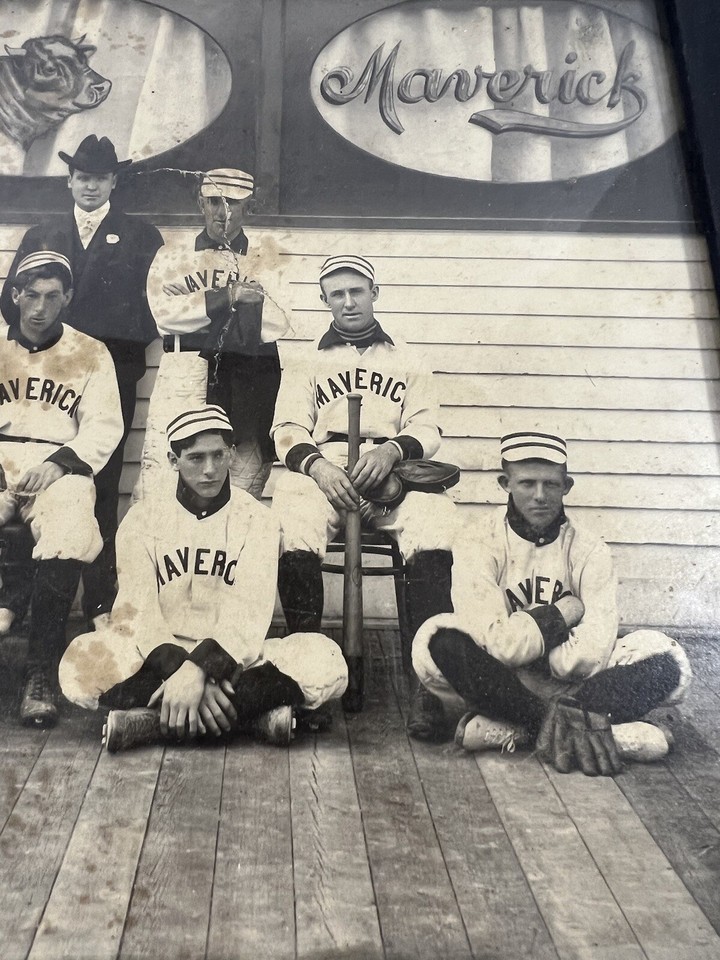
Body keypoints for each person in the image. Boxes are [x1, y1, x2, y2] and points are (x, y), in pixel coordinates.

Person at [59, 405, 348, 751]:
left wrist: (201, 670)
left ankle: (152, 722)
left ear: (231, 454)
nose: (210, 470)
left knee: (325, 660)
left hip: (236, 659)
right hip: (159, 655)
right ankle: (250, 718)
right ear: (172, 459)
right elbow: (140, 613)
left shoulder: (258, 519)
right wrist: (181, 671)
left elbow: (249, 617)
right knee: (80, 664)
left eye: (218, 456)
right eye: (196, 458)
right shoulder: (142, 519)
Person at [411, 431, 692, 775]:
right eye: (527, 483)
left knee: (667, 662)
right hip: (506, 681)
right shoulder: (478, 541)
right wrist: (562, 613)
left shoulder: (590, 551)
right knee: (442, 641)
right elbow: (498, 647)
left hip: (582, 687)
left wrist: (529, 638)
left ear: (567, 485)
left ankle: (526, 728)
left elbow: (590, 655)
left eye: (551, 484)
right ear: (505, 483)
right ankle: (594, 729)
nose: (540, 496)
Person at [270, 254, 457, 723]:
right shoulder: (305, 359)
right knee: (292, 516)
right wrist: (316, 468)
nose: (348, 302)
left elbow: (428, 426)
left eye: (357, 291)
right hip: (329, 465)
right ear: (324, 300)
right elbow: (287, 427)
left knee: (435, 520)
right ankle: (305, 675)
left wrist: (393, 451)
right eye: (338, 294)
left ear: (375, 293)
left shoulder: (407, 358)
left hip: (389, 469)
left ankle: (428, 681)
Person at [0, 134, 163, 628]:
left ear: (114, 181)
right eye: (82, 177)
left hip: (108, 371)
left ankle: (99, 605)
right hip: (44, 376)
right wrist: (55, 340)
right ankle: (14, 603)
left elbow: (153, 311)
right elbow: (13, 300)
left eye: (99, 177)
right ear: (70, 180)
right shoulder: (41, 234)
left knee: (103, 483)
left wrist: (101, 350)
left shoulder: (141, 237)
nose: (90, 186)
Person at [0, 251, 123, 725]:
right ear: (15, 295)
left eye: (52, 297)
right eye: (30, 295)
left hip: (58, 466)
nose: (40, 307)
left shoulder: (90, 352)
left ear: (67, 298)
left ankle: (40, 674)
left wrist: (57, 464)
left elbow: (104, 427)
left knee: (72, 521)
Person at [135, 167, 289, 502]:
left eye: (235, 203)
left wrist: (200, 312)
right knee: (162, 472)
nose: (225, 212)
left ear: (249, 205)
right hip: (184, 366)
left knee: (241, 472)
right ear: (200, 202)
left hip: (243, 372)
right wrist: (229, 298)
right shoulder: (173, 254)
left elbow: (277, 324)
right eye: (215, 201)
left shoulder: (267, 257)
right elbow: (165, 316)